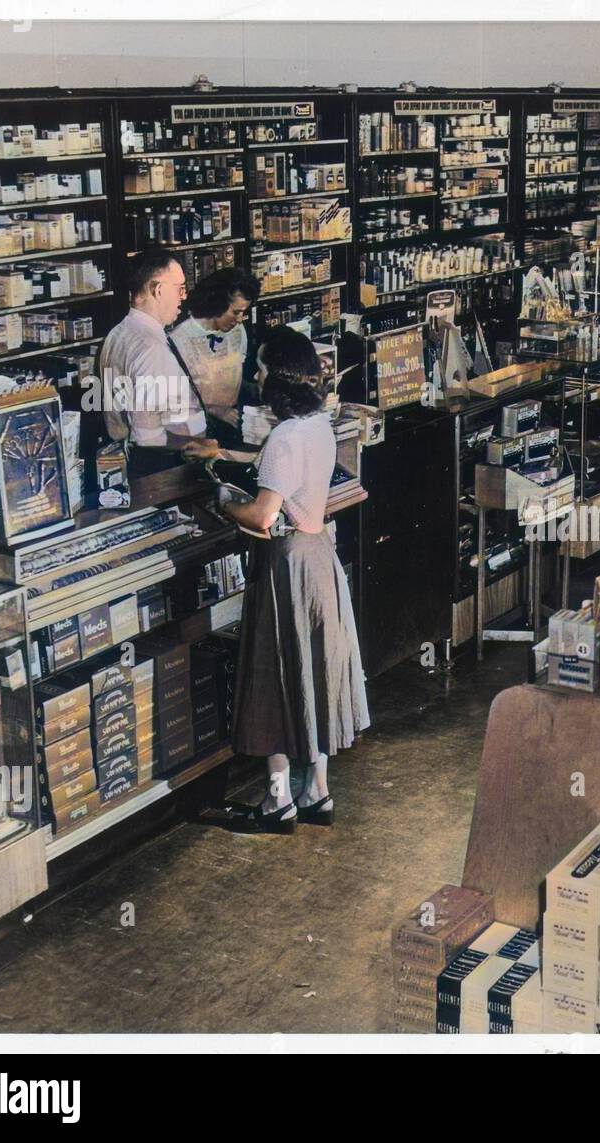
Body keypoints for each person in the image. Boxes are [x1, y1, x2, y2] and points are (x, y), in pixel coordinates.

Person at [220, 330, 368, 833]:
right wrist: (227, 455)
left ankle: (277, 800)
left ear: (277, 377)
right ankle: (316, 791)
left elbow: (262, 515)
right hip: (318, 556)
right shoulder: (315, 424)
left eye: (260, 368)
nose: (255, 377)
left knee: (275, 677)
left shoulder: (284, 436)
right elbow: (284, 471)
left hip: (285, 564)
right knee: (312, 676)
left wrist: (222, 502)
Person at [98, 250, 220, 474]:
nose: (183, 297)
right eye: (179, 288)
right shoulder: (151, 349)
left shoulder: (119, 333)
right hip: (165, 466)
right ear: (159, 290)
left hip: (133, 459)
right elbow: (148, 437)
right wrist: (197, 445)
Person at [169, 267, 261, 452]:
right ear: (217, 304)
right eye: (236, 312)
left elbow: (232, 377)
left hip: (232, 423)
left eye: (244, 312)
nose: (240, 319)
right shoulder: (179, 340)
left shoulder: (237, 332)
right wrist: (214, 409)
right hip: (196, 431)